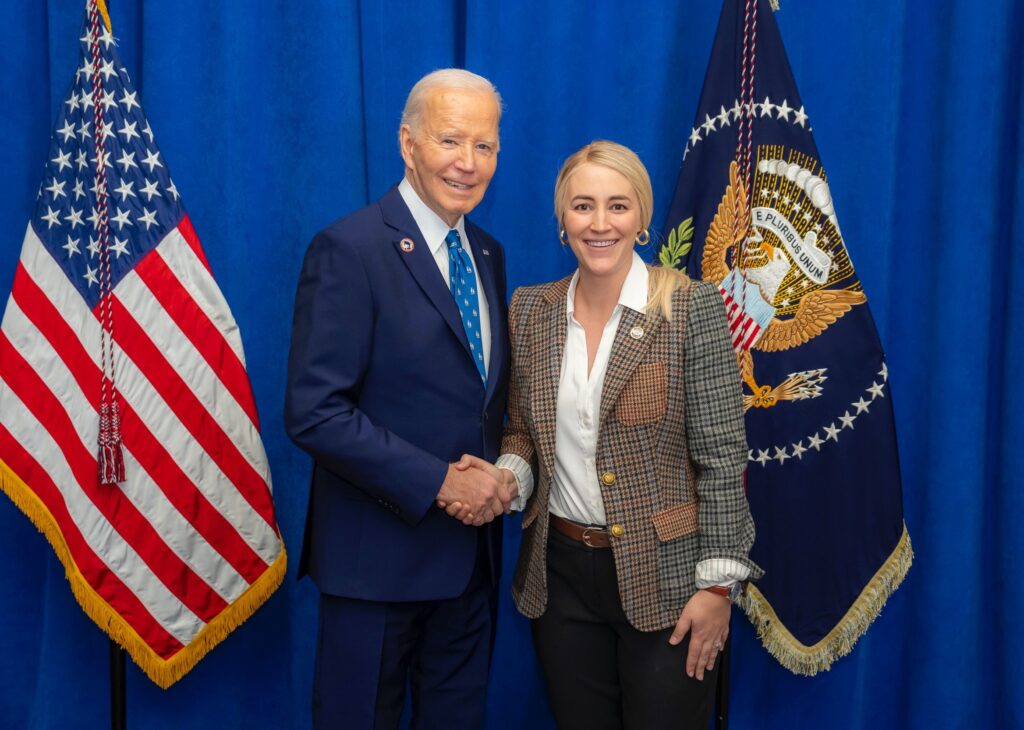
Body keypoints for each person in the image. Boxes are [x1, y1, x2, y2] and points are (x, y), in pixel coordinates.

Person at [452, 140, 762, 729]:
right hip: (560, 578)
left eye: (618, 206)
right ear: (562, 219)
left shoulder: (689, 306)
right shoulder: (530, 309)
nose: (600, 223)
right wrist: (505, 480)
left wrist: (718, 590)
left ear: (641, 218)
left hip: (669, 580)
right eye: (583, 206)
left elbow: (723, 457)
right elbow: (523, 433)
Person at [285, 69, 513, 730]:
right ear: (408, 144)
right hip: (375, 567)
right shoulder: (350, 249)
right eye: (450, 140)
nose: (468, 162)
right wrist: (440, 482)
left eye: (484, 145)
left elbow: (478, 400)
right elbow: (314, 412)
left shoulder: (488, 253)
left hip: (470, 567)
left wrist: (501, 478)